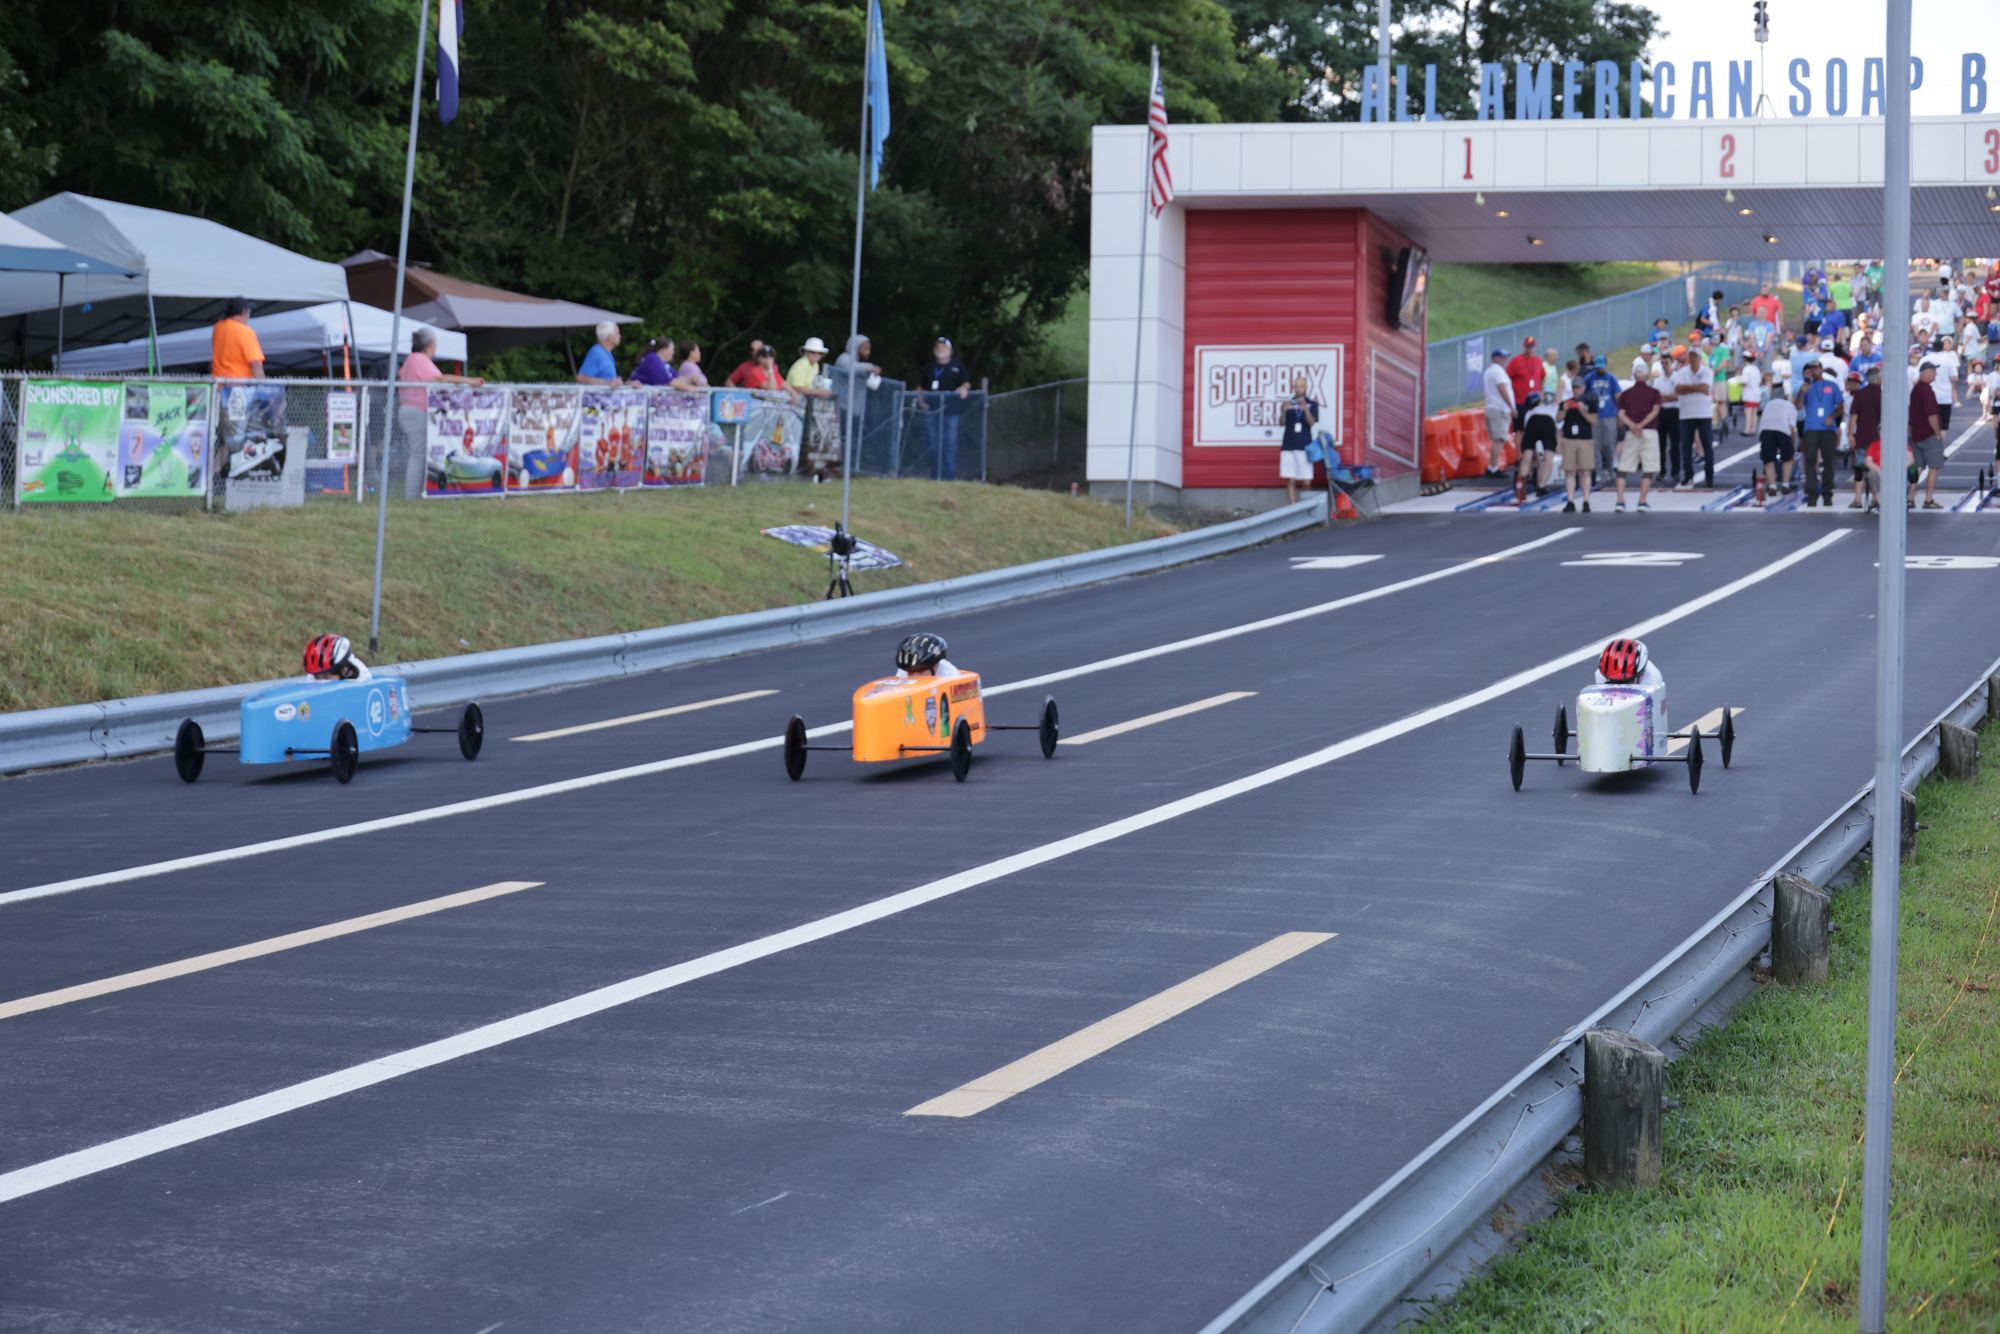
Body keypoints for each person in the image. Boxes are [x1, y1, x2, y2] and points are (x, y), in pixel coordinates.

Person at [398, 329, 484, 498]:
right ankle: (411, 497)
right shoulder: (419, 359)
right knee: (418, 455)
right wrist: (469, 381)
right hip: (417, 411)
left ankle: (418, 493)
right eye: (435, 344)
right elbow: (439, 378)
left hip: (408, 410)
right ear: (429, 345)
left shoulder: (410, 359)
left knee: (418, 454)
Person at [915, 336, 974, 482]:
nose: (940, 349)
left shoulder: (957, 365)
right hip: (931, 412)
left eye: (943, 346)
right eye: (938, 346)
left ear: (949, 350)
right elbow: (920, 387)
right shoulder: (929, 367)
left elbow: (966, 383)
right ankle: (935, 475)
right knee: (933, 444)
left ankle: (948, 477)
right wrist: (922, 403)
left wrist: (964, 388)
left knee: (949, 444)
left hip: (950, 412)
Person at [1794, 359, 1842, 507]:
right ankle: (1812, 492)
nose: (1814, 372)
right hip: (1811, 428)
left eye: (1816, 369)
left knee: (1828, 461)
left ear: (1821, 369)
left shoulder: (1832, 386)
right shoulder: (1806, 387)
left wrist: (1832, 417)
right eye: (1811, 370)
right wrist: (1802, 393)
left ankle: (1827, 492)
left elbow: (1841, 405)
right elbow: (1797, 406)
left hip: (1828, 428)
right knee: (1810, 460)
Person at [1613, 370, 1661, 512]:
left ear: (1634, 376)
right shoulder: (1654, 393)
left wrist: (1633, 425)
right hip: (1649, 431)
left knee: (1623, 467)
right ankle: (1642, 501)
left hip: (1631, 433)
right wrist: (1641, 425)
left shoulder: (1626, 394)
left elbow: (1621, 414)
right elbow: (1655, 411)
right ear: (1646, 377)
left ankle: (1620, 500)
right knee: (1648, 468)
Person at [1671, 345, 1716, 488]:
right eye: (1691, 355)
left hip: (1703, 413)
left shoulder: (1707, 371)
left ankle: (1709, 475)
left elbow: (1705, 388)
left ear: (1699, 357)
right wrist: (1696, 388)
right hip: (1686, 414)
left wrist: (1687, 388)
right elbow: (1678, 389)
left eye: (1695, 356)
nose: (1692, 358)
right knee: (1686, 446)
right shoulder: (1682, 372)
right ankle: (1688, 474)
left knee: (1707, 444)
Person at [1910, 360, 1945, 508]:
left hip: (1916, 434)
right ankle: (1928, 499)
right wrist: (1938, 433)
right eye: (1933, 371)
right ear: (1926, 373)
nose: (1936, 374)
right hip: (1928, 434)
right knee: (1934, 466)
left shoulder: (1916, 390)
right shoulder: (1927, 391)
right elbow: (1931, 415)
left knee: (1918, 466)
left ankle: (1910, 497)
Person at [1277, 372, 1317, 505]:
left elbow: (1311, 423)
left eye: (1301, 386)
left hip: (1305, 446)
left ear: (1306, 387)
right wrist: (1284, 411)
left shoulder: (1312, 404)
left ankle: (1306, 507)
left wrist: (1305, 410)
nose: (1298, 389)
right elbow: (1281, 423)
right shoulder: (1288, 403)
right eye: (1296, 386)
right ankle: (1293, 508)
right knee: (1291, 480)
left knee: (1306, 481)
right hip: (1288, 445)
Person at [1756, 379, 1798, 502]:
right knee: (1787, 458)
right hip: (1782, 429)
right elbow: (1791, 428)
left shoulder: (1769, 404)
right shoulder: (1791, 406)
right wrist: (1792, 448)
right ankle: (1785, 485)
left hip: (1765, 430)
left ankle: (1772, 486)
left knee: (1769, 459)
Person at [1581, 353, 1620, 480]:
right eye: (1598, 367)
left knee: (1609, 444)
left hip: (1609, 415)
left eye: (1602, 367)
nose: (1600, 369)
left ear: (1606, 365)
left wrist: (1619, 413)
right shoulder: (1589, 378)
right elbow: (1582, 393)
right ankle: (1597, 471)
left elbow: (1617, 396)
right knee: (1595, 445)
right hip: (1595, 416)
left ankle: (1610, 469)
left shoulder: (1611, 378)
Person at [1849, 365, 1883, 510]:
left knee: (1860, 467)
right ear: (1878, 378)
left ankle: (1857, 498)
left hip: (1861, 437)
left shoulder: (1859, 394)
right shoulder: (1884, 394)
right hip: (1878, 439)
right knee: (1876, 468)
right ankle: (1876, 498)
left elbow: (1853, 416)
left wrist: (1850, 434)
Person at [1557, 385, 1595, 513]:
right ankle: (1570, 501)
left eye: (1578, 388)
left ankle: (1586, 501)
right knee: (1570, 471)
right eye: (1574, 388)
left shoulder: (1589, 402)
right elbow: (1558, 419)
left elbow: (1593, 420)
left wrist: (1583, 410)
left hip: (1585, 439)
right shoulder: (1565, 403)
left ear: (1583, 388)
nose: (1576, 390)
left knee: (1585, 471)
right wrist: (1564, 410)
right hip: (1569, 439)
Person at [1516, 390, 1556, 503]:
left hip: (1533, 421)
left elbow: (1526, 435)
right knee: (1548, 458)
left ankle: (1521, 484)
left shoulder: (1529, 413)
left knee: (1527, 456)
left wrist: (1533, 455)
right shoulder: (1551, 408)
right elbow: (1558, 429)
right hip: (1548, 421)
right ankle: (1541, 487)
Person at [211, 297, 266, 380]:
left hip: (218, 382)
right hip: (238, 383)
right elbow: (255, 363)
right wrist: (263, 384)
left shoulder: (218, 327)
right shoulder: (245, 331)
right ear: (244, 311)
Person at [1481, 347, 1516, 473]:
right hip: (1498, 408)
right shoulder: (1498, 371)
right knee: (1499, 439)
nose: (1505, 360)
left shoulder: (1489, 371)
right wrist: (1511, 407)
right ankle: (1493, 467)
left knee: (1498, 439)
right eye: (1502, 357)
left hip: (1493, 407)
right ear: (1495, 358)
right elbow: (1502, 389)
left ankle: (1492, 466)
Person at [302, 633, 371, 681]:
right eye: (317, 677)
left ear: (344, 671)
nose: (321, 683)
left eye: (327, 677)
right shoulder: (313, 675)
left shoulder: (363, 677)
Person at [1506, 338, 1544, 422]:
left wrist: (1542, 393)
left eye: (1532, 345)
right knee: (1520, 426)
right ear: (1524, 346)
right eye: (1528, 345)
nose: (1530, 348)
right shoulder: (1516, 360)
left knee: (1534, 425)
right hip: (1520, 402)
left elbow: (1543, 376)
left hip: (1535, 402)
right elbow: (1506, 378)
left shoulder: (1538, 360)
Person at [576, 321, 624, 385]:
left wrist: (627, 383)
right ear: (610, 338)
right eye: (617, 333)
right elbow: (581, 379)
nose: (620, 336)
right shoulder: (596, 353)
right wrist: (608, 383)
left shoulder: (606, 352)